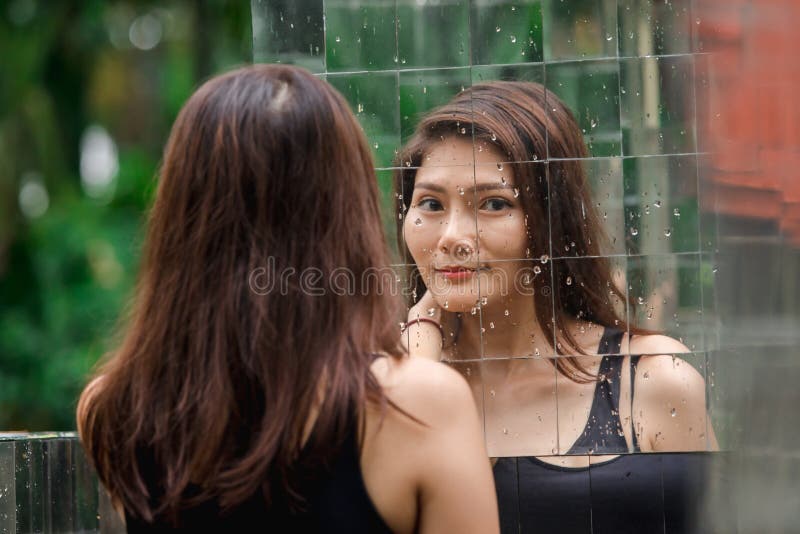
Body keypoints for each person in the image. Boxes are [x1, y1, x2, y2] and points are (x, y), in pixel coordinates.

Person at [76, 65, 499, 533]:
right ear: (347, 213)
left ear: (180, 214)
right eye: (429, 204)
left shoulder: (113, 410)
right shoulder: (422, 405)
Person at [395, 81, 719, 533]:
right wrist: (419, 348)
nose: (451, 236)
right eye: (430, 203)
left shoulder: (652, 380)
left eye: (493, 204)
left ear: (552, 222)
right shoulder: (377, 384)